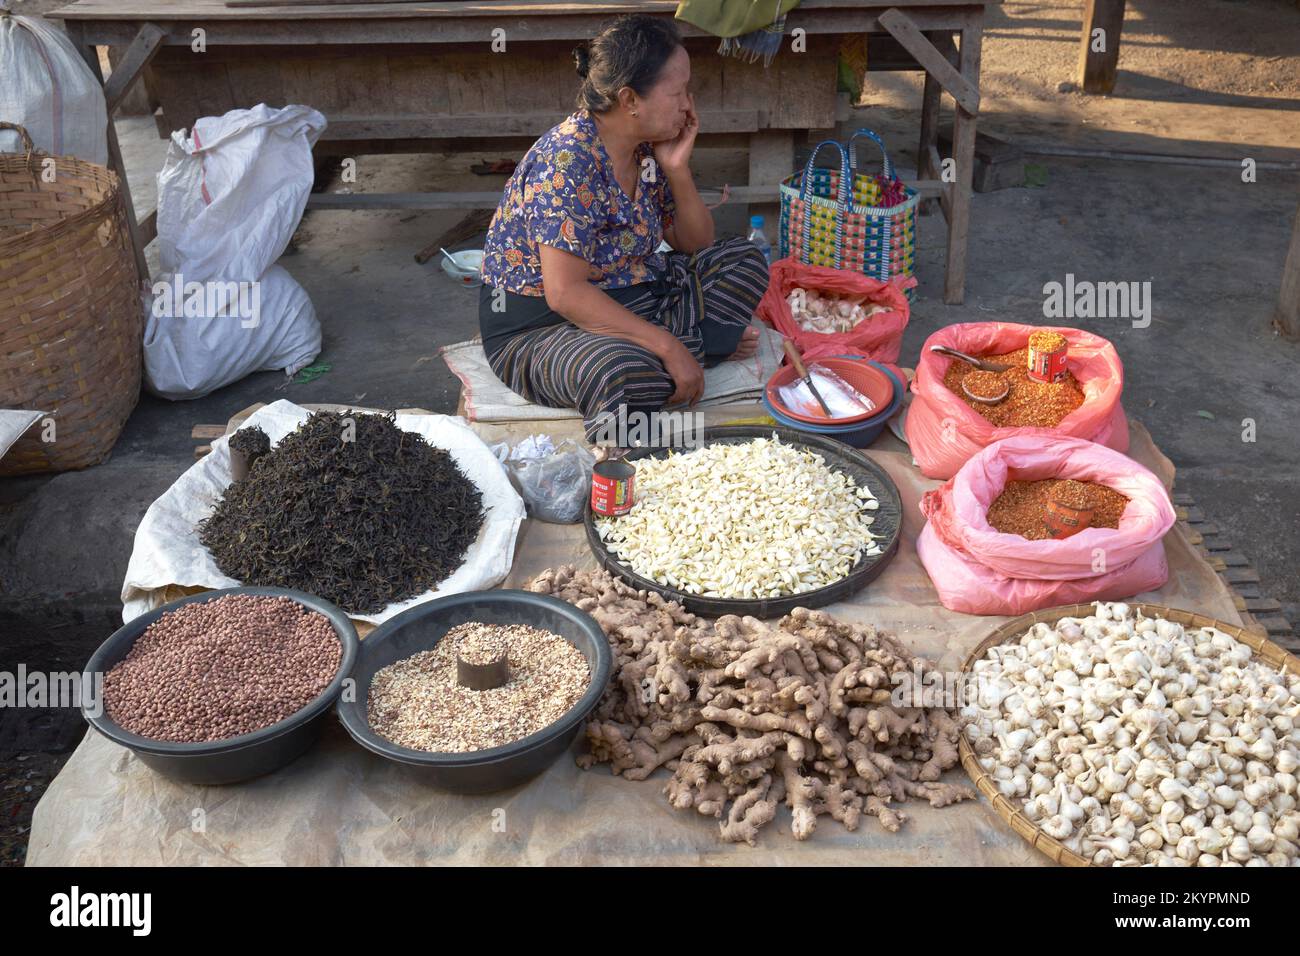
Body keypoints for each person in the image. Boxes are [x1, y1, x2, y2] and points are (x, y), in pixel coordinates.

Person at [478, 14, 769, 440]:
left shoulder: (647, 151)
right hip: (542, 328)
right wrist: (669, 347)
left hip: (631, 295)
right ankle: (686, 351)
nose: (689, 106)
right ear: (630, 99)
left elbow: (697, 243)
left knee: (742, 259)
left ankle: (673, 352)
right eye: (677, 93)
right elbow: (565, 294)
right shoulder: (568, 162)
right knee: (616, 372)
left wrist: (677, 169)